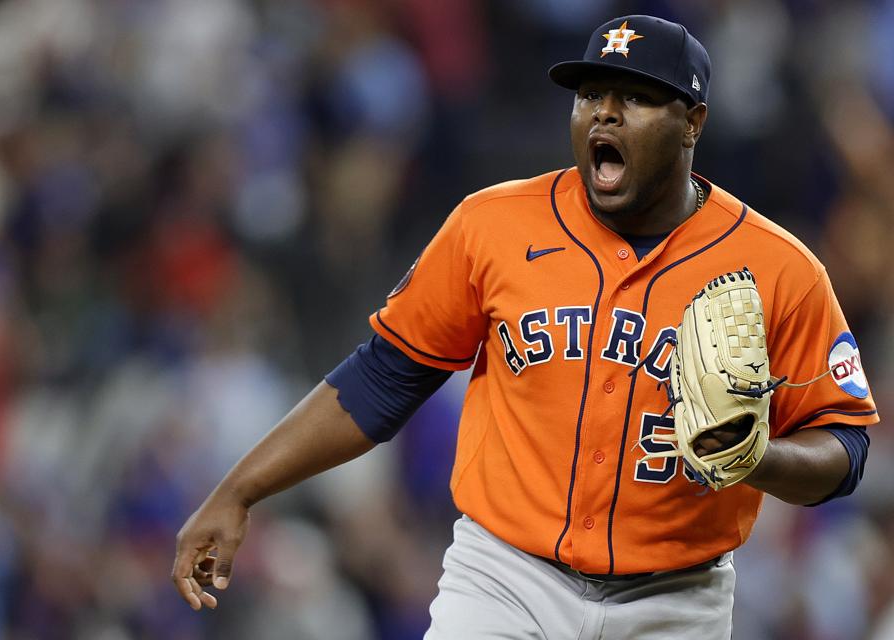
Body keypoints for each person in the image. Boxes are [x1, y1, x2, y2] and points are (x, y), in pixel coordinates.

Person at [171, 15, 878, 638]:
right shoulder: (494, 226)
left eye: (633, 97)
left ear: (692, 121)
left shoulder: (779, 269)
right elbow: (381, 380)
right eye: (589, 95)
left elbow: (845, 450)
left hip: (676, 600)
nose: (604, 114)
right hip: (506, 580)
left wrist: (760, 460)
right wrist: (240, 489)